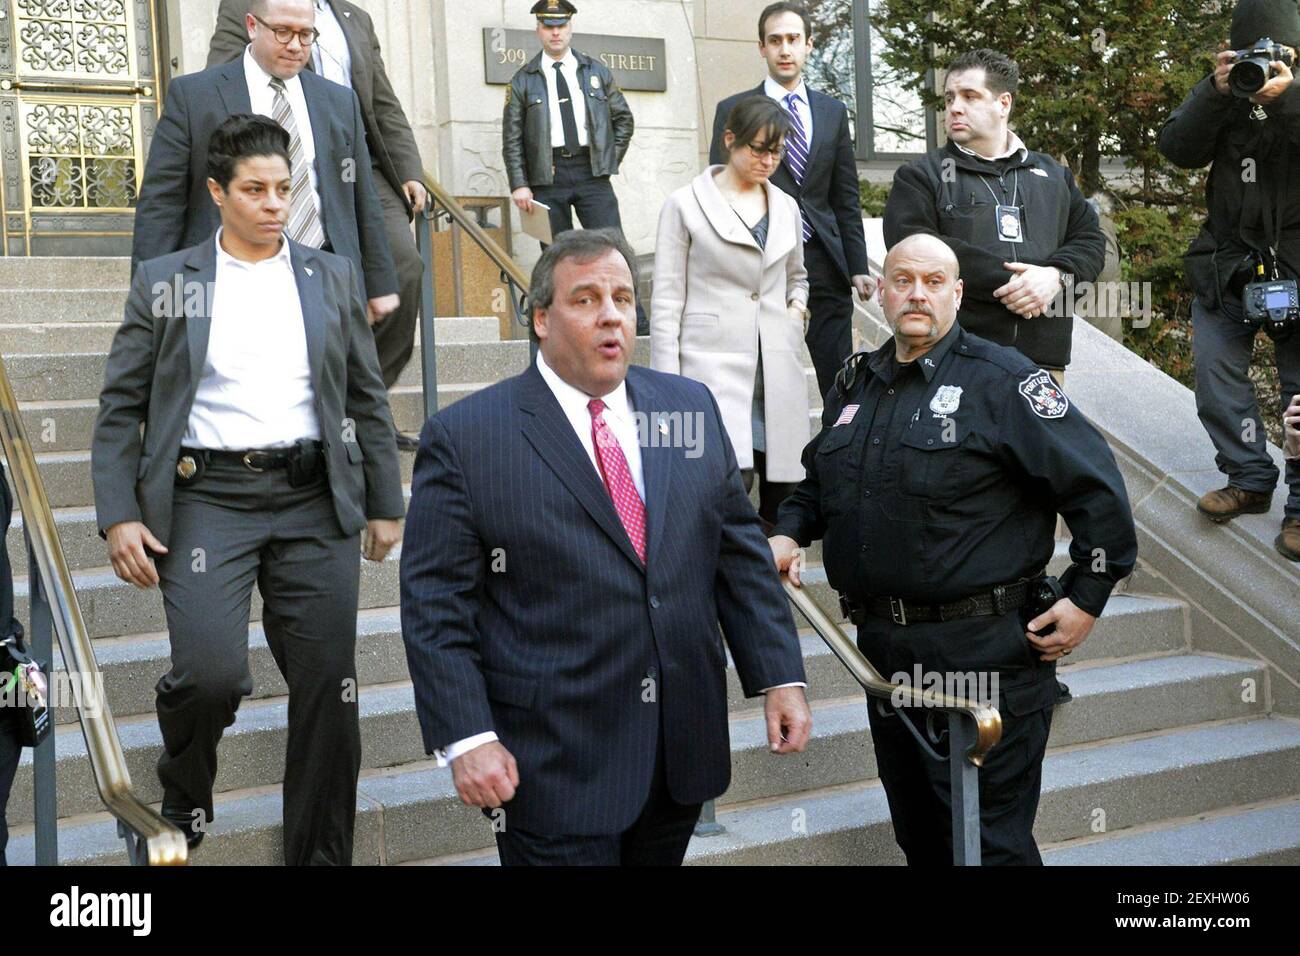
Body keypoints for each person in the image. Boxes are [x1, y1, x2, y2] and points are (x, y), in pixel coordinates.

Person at [399, 228, 812, 866]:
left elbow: (739, 558)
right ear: (540, 318)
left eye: (622, 296)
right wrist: (466, 737)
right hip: (550, 764)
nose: (612, 313)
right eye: (587, 299)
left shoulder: (689, 409)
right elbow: (435, 606)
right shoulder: (467, 437)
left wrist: (779, 675)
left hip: (676, 755)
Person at [93, 115, 405, 864]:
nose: (274, 203)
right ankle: (185, 796)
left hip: (312, 498)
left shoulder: (329, 276)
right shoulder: (169, 283)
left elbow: (367, 396)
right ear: (216, 192)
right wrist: (118, 517)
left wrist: (386, 501)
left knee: (331, 687)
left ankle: (318, 859)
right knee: (210, 675)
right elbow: (120, 408)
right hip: (207, 499)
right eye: (255, 189)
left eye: (283, 189)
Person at [769, 233, 1138, 865]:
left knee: (987, 846)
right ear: (881, 291)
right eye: (903, 279)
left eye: (934, 282)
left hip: (986, 655)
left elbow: (1095, 488)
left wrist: (1089, 595)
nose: (917, 294)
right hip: (887, 655)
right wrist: (787, 530)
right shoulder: (857, 383)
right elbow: (820, 482)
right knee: (924, 840)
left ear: (958, 294)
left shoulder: (1004, 380)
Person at [132, 0, 400, 334]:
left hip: (326, 276)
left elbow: (363, 199)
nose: (295, 46)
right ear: (252, 26)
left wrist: (379, 282)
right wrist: (152, 299)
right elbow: (161, 203)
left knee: (324, 385)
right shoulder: (195, 96)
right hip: (228, 278)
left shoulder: (339, 102)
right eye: (283, 32)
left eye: (306, 35)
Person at [206, 0, 428, 400]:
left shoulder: (354, 18)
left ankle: (363, 400)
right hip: (290, 155)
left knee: (403, 267)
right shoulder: (246, 6)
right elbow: (222, 79)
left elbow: (382, 100)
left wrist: (409, 167)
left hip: (361, 160)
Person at [1158, 0, 1300, 561]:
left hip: (1296, 265)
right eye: (1249, 53)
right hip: (1229, 266)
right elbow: (1176, 149)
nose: (1261, 64)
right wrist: (1213, 92)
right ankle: (1249, 477)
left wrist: (1287, 97)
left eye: (1276, 53)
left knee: (1299, 396)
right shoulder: (1225, 94)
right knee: (1216, 379)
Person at [883, 49, 1105, 382]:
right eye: (949, 98)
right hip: (956, 359)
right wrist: (1016, 284)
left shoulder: (1053, 175)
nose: (955, 107)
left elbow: (1089, 240)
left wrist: (1056, 277)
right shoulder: (921, 175)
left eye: (970, 96)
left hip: (1043, 365)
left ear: (1003, 103)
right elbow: (915, 247)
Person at [652, 95, 809, 526]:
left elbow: (798, 276)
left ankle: (772, 589)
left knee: (784, 497)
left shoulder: (786, 206)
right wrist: (667, 392)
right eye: (757, 148)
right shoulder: (684, 205)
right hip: (709, 368)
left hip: (775, 370)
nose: (767, 160)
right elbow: (666, 303)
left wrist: (795, 313)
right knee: (720, 493)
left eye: (776, 151)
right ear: (729, 140)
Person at [709, 2, 874, 400]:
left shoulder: (833, 112)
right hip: (760, 259)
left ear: (809, 46)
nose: (785, 49)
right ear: (761, 48)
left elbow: (845, 196)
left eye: (793, 40)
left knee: (839, 379)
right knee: (766, 374)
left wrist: (857, 265)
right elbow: (720, 192)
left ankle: (838, 455)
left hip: (823, 258)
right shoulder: (733, 110)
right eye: (775, 40)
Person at [504, 1, 634, 247]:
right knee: (557, 257)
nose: (555, 32)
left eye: (561, 25)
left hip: (592, 172)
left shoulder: (596, 71)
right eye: (548, 26)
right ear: (538, 30)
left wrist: (608, 159)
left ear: (570, 28)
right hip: (547, 176)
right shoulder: (522, 80)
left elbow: (624, 120)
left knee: (613, 248)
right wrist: (520, 184)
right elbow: (511, 138)